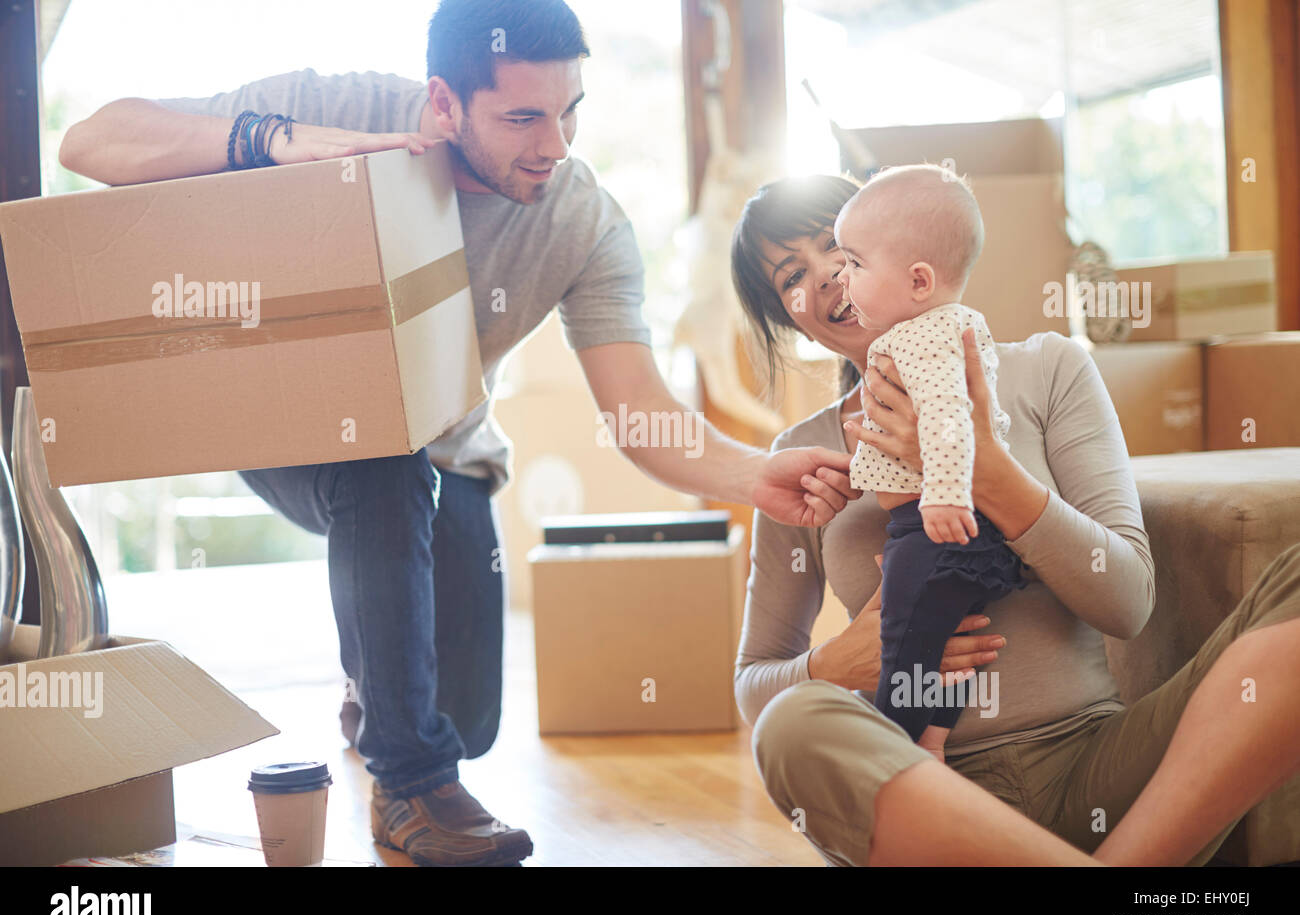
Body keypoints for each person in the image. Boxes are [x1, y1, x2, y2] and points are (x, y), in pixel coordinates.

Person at [59, 0, 862, 867]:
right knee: (382, 471)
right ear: (444, 103)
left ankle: (385, 693)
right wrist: (279, 145)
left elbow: (638, 408)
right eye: (522, 117)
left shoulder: (581, 221)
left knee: (468, 720)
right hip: (291, 437)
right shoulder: (340, 108)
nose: (555, 145)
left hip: (449, 453)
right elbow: (90, 142)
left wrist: (759, 473)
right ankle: (408, 789)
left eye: (569, 111)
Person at [729, 172, 1300, 866]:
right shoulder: (800, 461)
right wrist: (837, 662)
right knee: (793, 725)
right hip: (927, 800)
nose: (826, 278)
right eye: (794, 274)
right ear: (787, 315)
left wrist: (990, 475)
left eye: (836, 247)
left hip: (1097, 769)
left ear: (911, 263)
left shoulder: (1048, 371)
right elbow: (755, 684)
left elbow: (1127, 602)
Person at [835, 164, 1026, 757]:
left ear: (919, 280)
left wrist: (944, 493)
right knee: (940, 645)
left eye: (855, 264)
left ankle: (893, 748)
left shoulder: (920, 335)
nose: (842, 280)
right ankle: (933, 743)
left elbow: (949, 415)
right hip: (943, 524)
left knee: (904, 645)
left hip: (932, 523)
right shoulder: (945, 326)